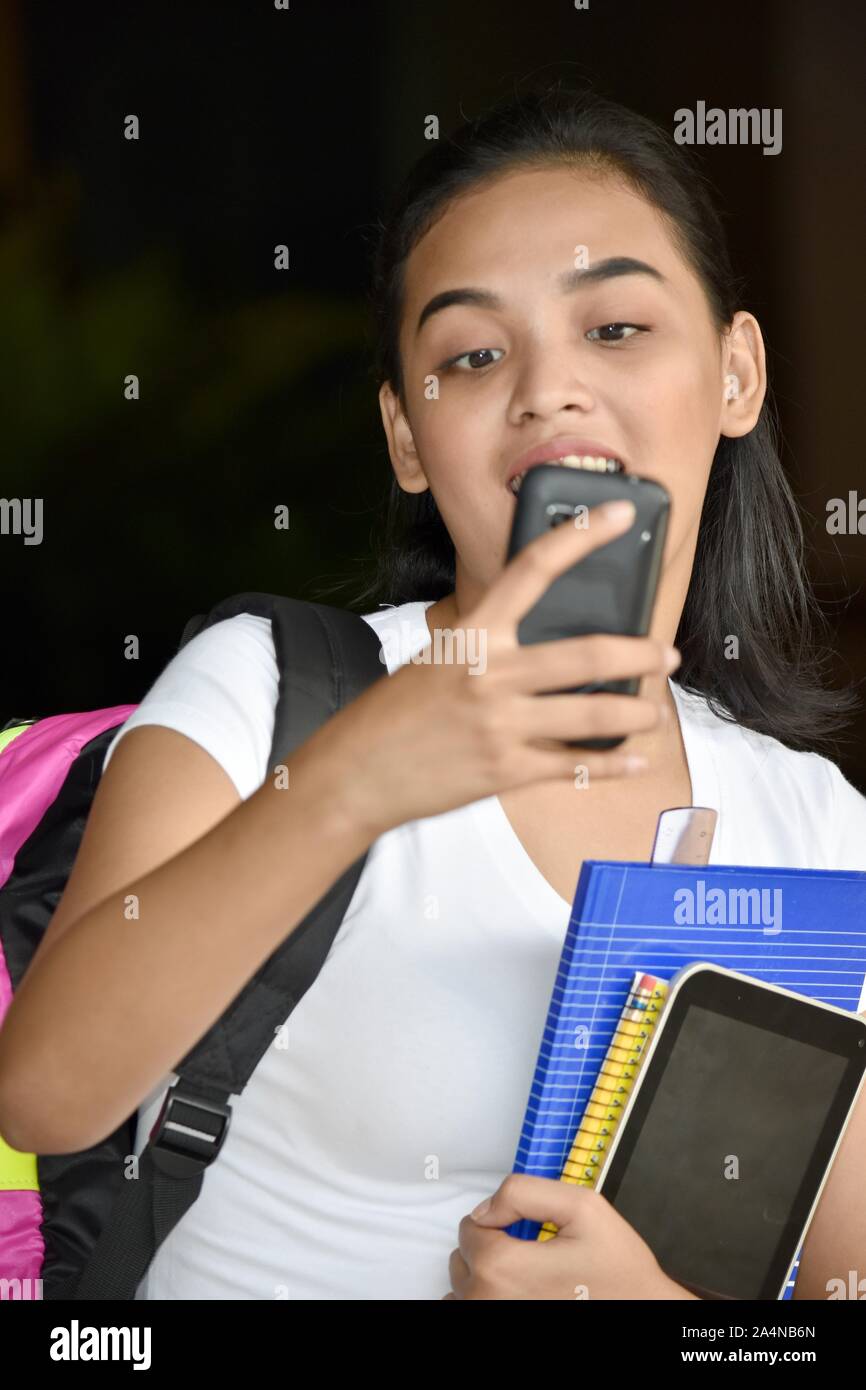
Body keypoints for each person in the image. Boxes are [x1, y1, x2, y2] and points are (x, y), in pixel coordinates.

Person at [1, 82, 865, 1301]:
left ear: (735, 373)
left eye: (613, 329)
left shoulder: (816, 825)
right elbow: (46, 1092)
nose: (546, 389)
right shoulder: (266, 689)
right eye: (472, 353)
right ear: (408, 435)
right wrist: (354, 780)